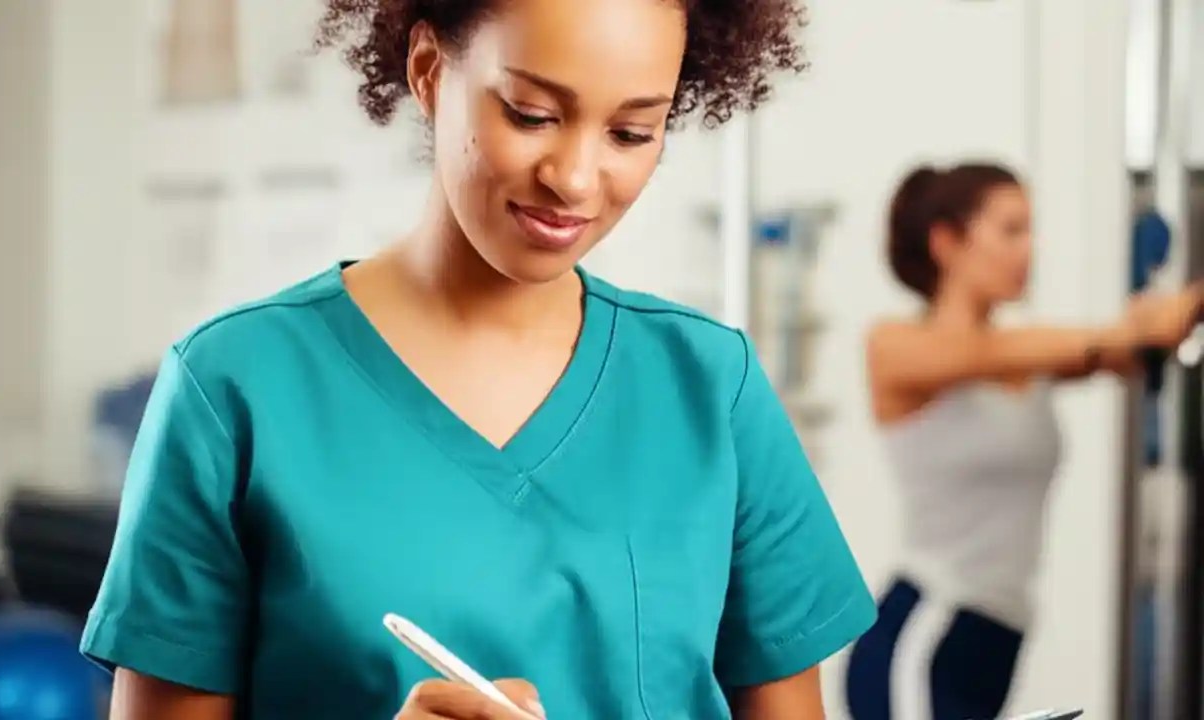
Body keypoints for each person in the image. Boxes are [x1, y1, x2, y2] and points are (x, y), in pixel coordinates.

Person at [81, 0, 879, 718]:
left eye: (632, 133)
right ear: (429, 71)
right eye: (531, 114)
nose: (573, 178)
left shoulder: (711, 388)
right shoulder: (234, 387)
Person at [844, 163, 1203, 720]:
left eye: (1031, 231)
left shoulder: (1031, 359)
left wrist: (1160, 319)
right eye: (1011, 231)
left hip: (996, 639)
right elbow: (998, 353)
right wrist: (1128, 331)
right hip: (930, 629)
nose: (1029, 250)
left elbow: (1131, 348)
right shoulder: (897, 347)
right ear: (947, 242)